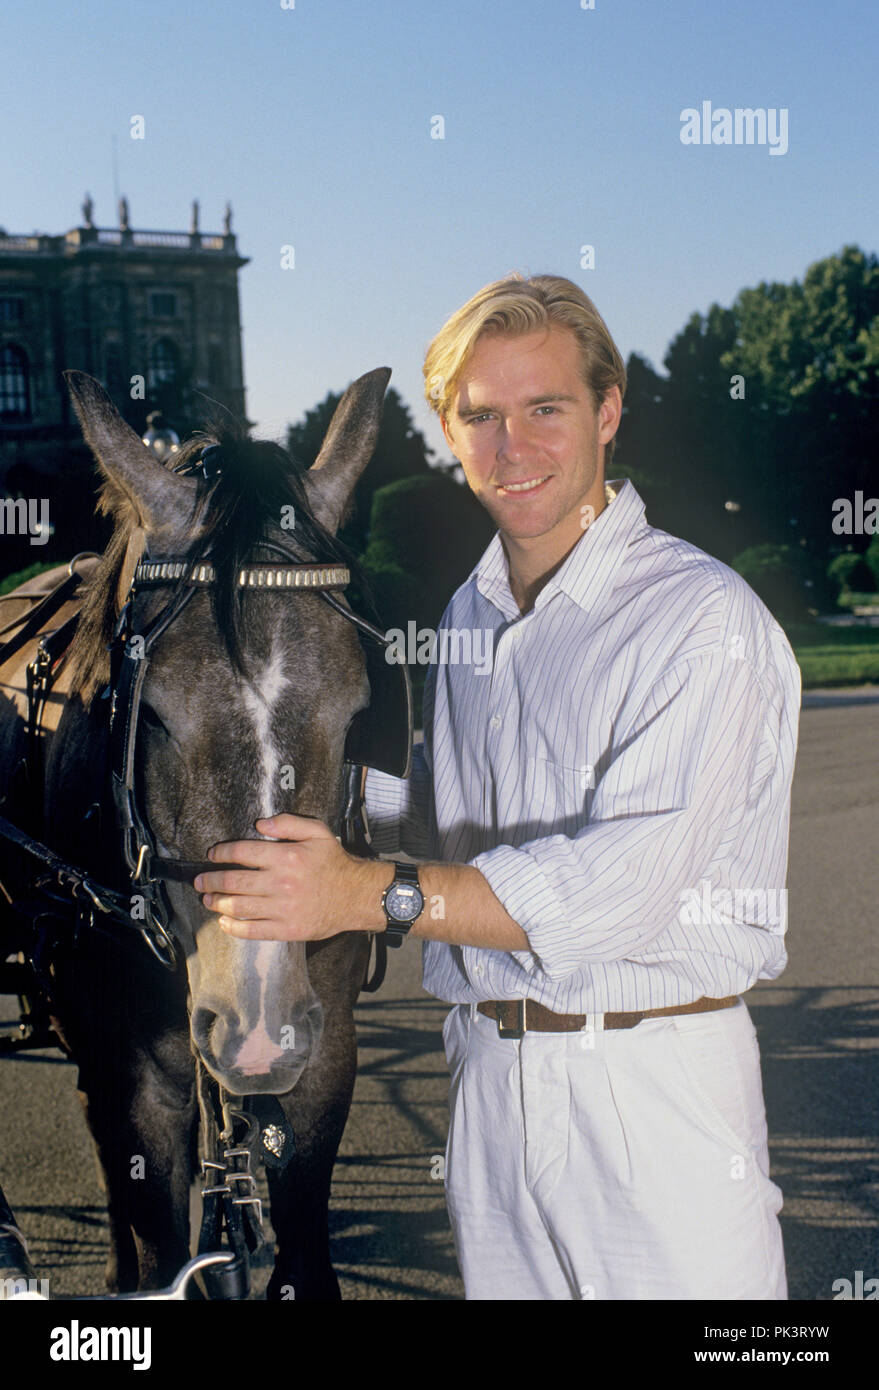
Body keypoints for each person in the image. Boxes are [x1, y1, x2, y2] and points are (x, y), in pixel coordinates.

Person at [194, 273, 800, 1300]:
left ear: (608, 413)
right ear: (447, 431)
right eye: (481, 416)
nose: (512, 445)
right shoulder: (468, 620)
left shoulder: (702, 619)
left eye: (545, 409)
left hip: (653, 1096)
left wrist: (367, 892)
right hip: (487, 1090)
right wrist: (316, 808)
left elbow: (620, 891)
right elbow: (438, 823)